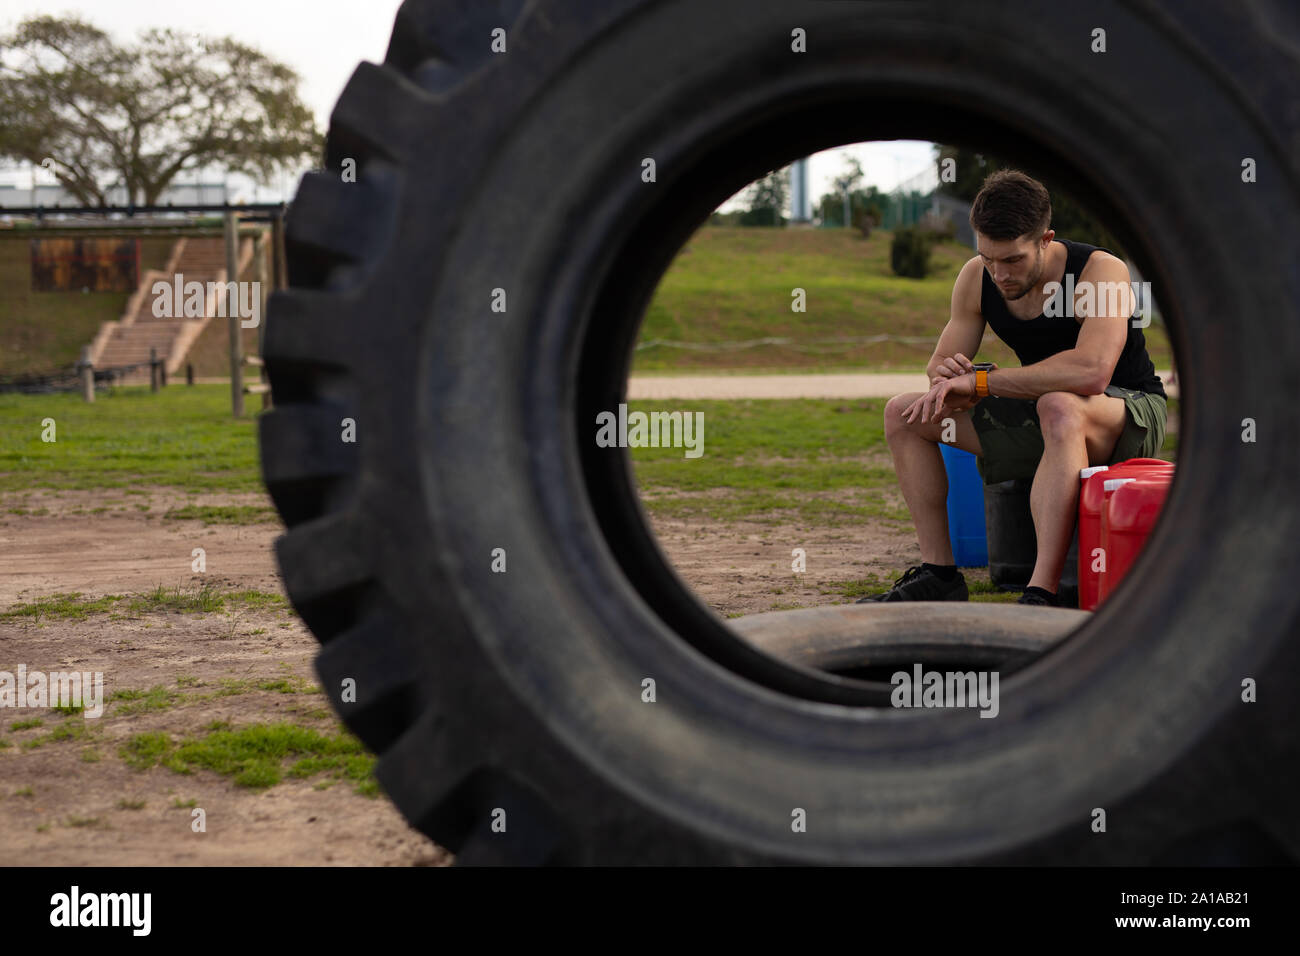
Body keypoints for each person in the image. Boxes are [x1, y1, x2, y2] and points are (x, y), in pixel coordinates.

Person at [861, 170, 1167, 606]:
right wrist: (949, 381)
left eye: (1013, 260)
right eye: (988, 258)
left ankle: (1041, 592)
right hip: (1047, 419)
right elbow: (939, 368)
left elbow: (1092, 373)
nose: (999, 273)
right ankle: (939, 575)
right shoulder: (976, 277)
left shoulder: (1101, 271)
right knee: (905, 414)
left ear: (1046, 239)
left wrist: (984, 381)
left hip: (1127, 416)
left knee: (1060, 405)